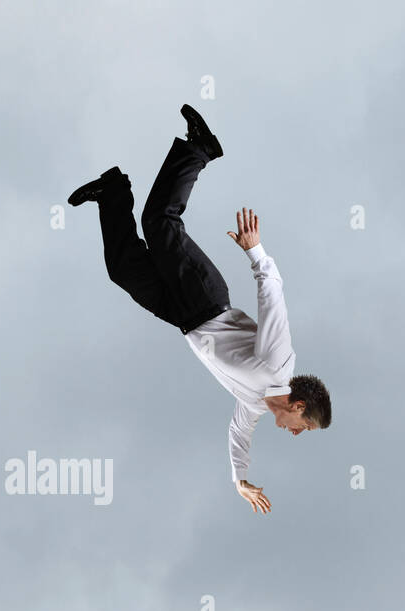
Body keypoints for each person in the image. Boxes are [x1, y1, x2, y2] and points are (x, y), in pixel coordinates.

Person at [69, 105, 331, 514]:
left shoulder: (256, 404)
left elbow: (238, 437)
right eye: (305, 428)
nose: (296, 434)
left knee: (122, 270)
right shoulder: (278, 364)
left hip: (183, 317)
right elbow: (273, 298)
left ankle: (112, 191)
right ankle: (200, 149)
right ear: (299, 407)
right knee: (160, 221)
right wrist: (256, 252)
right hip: (205, 298)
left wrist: (239, 479)